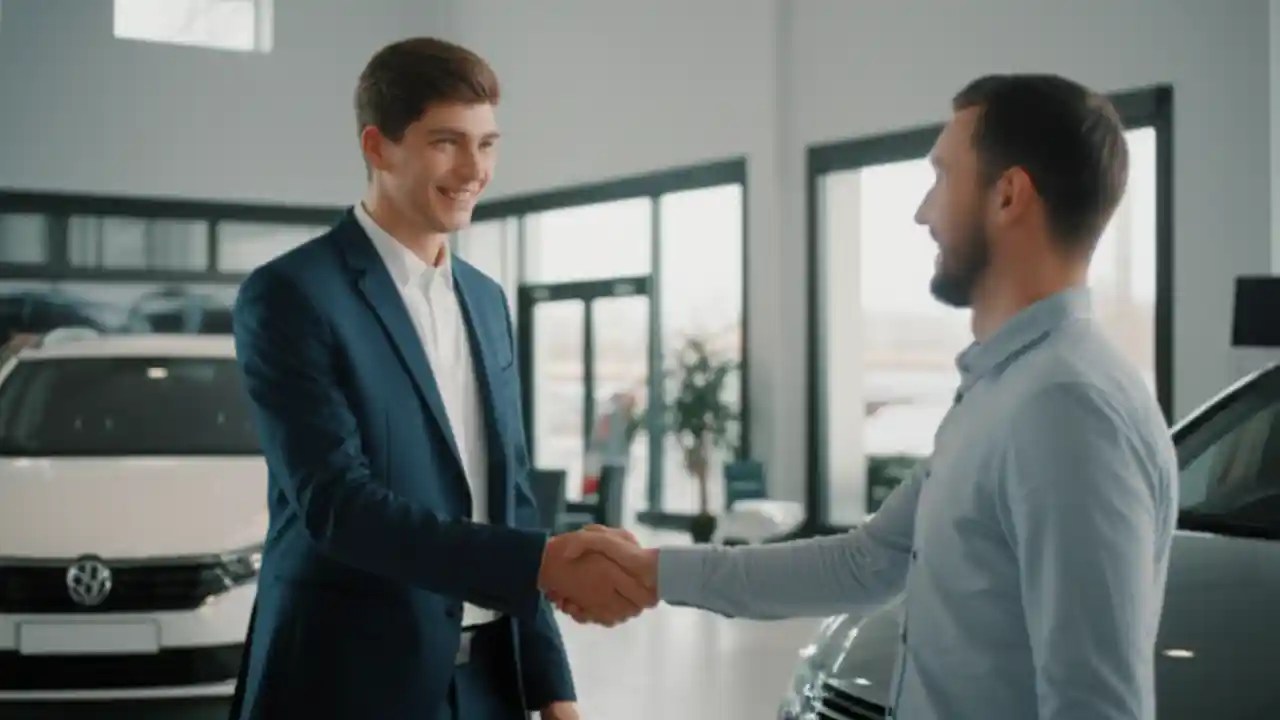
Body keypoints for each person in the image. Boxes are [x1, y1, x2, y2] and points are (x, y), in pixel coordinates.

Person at [559, 74, 1179, 720]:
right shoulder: (1004, 391)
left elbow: (1097, 707)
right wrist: (654, 571)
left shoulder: (1068, 410)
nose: (923, 211)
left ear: (1008, 195)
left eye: (941, 177)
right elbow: (866, 560)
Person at [228, 37, 653, 720]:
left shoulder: (486, 301)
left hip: (489, 685)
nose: (473, 169)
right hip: (345, 686)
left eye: (487, 144)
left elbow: (509, 499)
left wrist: (554, 690)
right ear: (378, 146)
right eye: (446, 142)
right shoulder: (291, 296)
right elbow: (340, 507)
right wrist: (540, 561)